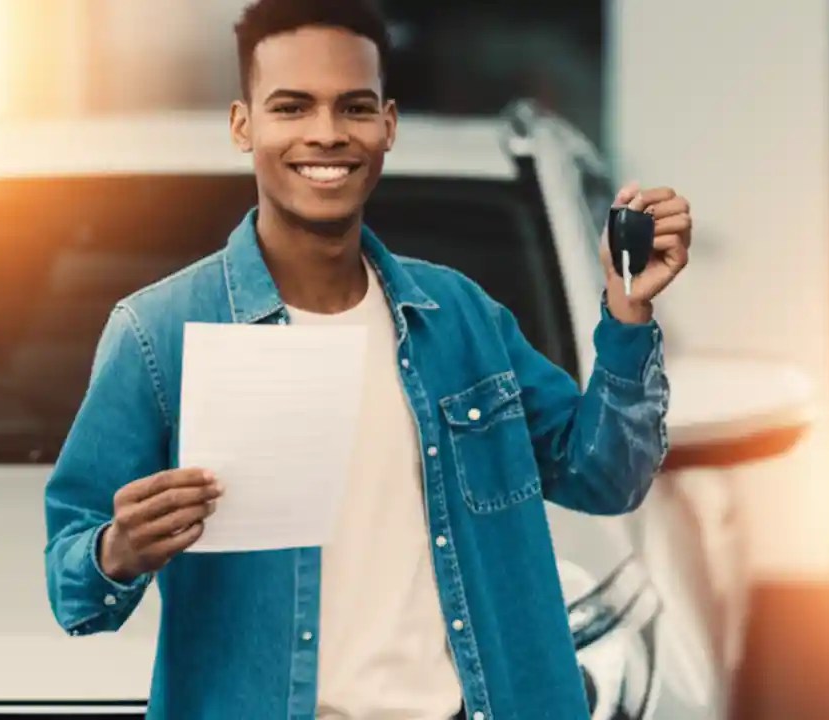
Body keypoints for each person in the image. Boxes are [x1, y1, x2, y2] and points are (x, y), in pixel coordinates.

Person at [43, 0, 690, 717]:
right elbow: (74, 591)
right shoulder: (155, 334)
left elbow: (604, 478)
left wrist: (629, 313)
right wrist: (118, 549)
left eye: (352, 108)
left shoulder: (464, 319)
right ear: (242, 124)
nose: (326, 134)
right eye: (291, 107)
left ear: (387, 125)